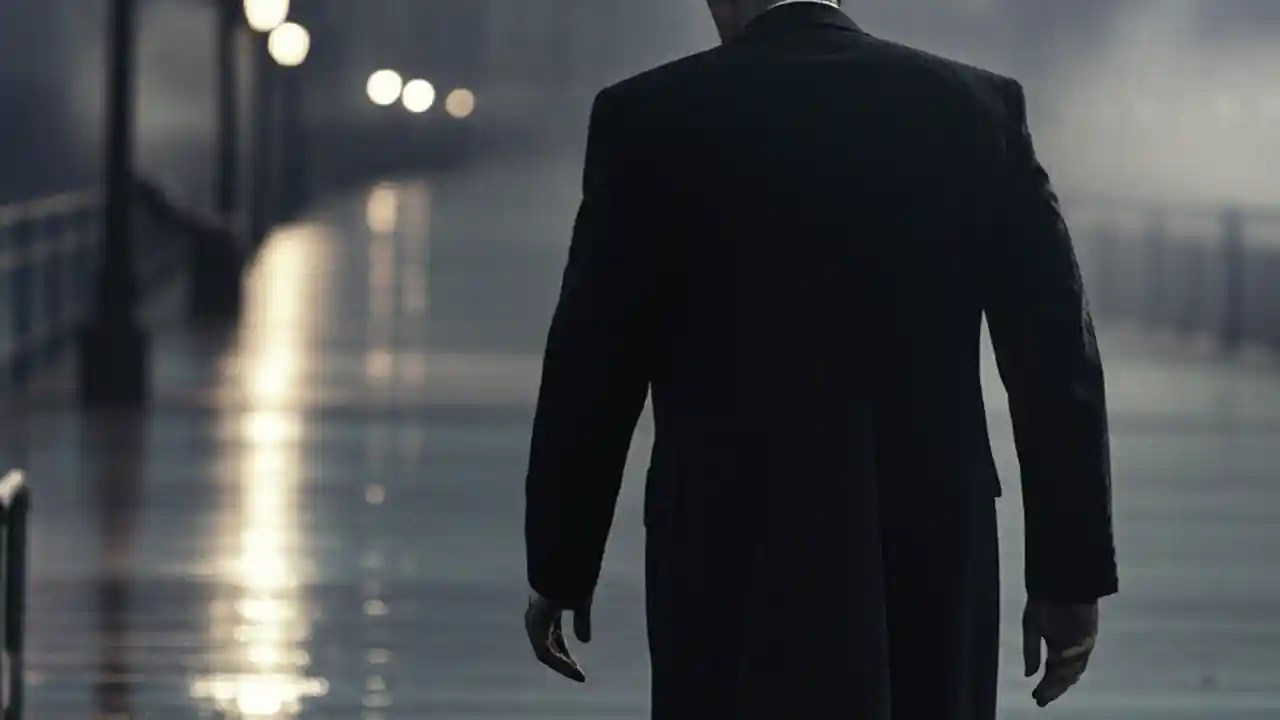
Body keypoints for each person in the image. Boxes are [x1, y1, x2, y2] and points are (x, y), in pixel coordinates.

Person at [522, 1, 1119, 717]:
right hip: (928, 533)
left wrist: (562, 562)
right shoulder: (974, 109)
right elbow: (1056, 360)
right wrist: (1068, 575)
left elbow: (592, 360)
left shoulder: (649, 116)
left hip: (725, 534)